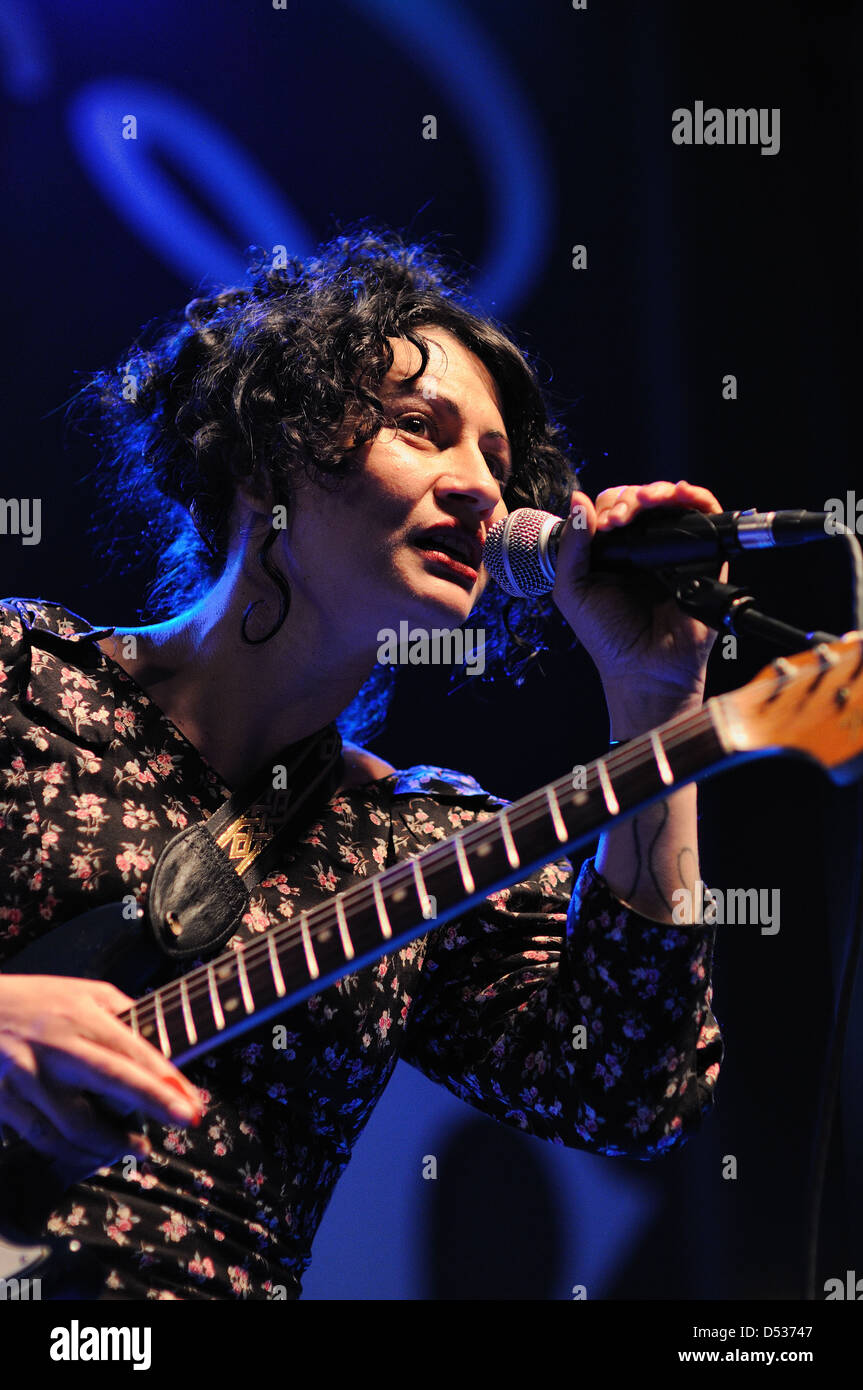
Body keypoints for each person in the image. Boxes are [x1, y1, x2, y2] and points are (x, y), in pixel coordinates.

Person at [0, 228, 724, 1300]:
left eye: (495, 458)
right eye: (421, 430)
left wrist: (657, 705)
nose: (483, 488)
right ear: (265, 453)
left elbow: (631, 1089)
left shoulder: (418, 845)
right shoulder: (22, 683)